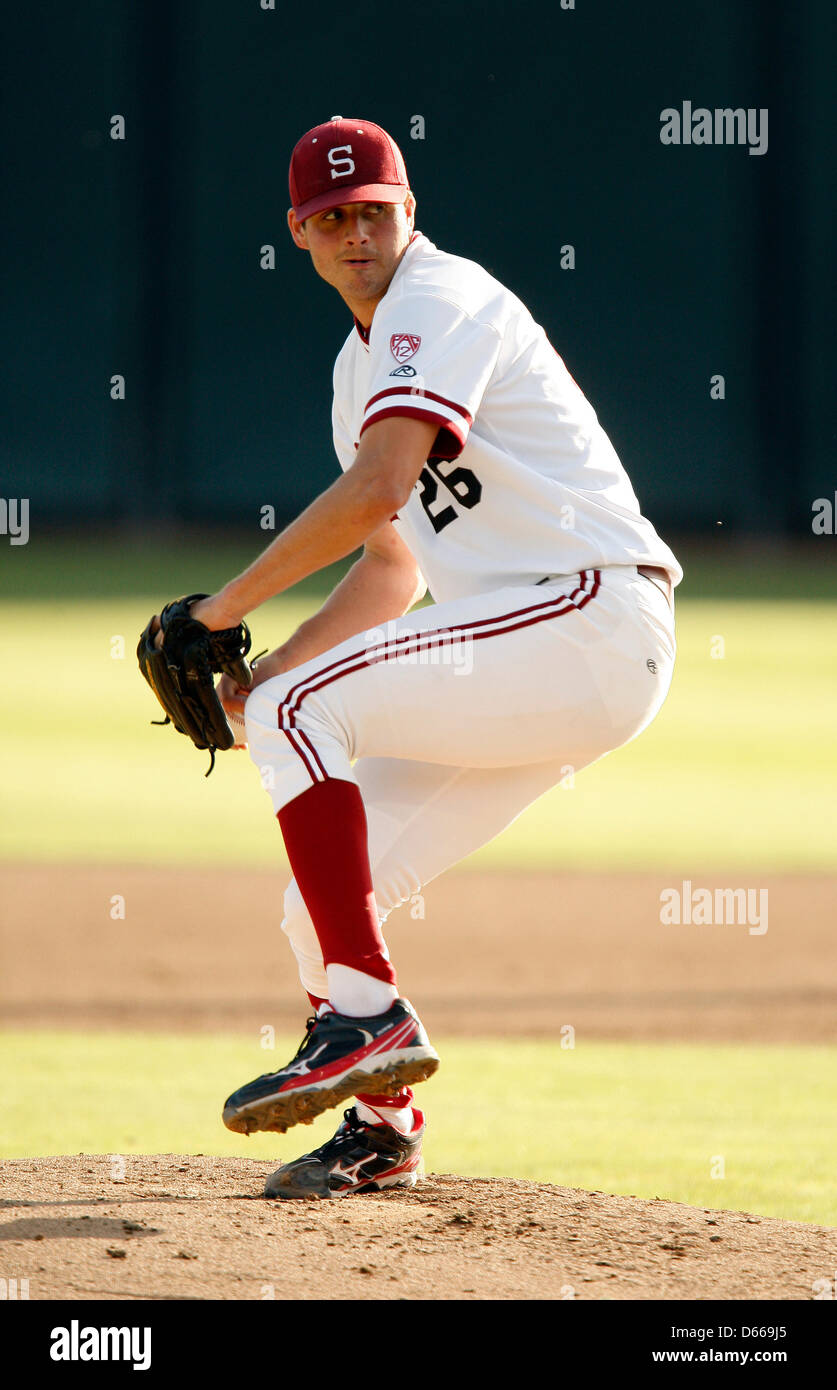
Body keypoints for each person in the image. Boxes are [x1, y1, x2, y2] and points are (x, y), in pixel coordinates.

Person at [192, 116, 682, 1200]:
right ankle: (384, 1124)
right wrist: (264, 669)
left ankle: (364, 1019)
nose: (356, 229)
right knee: (313, 903)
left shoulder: (440, 297)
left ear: (408, 210)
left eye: (373, 207)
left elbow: (375, 486)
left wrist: (218, 608)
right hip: (537, 654)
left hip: (585, 613)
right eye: (333, 217)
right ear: (301, 236)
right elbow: (390, 566)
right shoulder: (350, 369)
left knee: (304, 724)